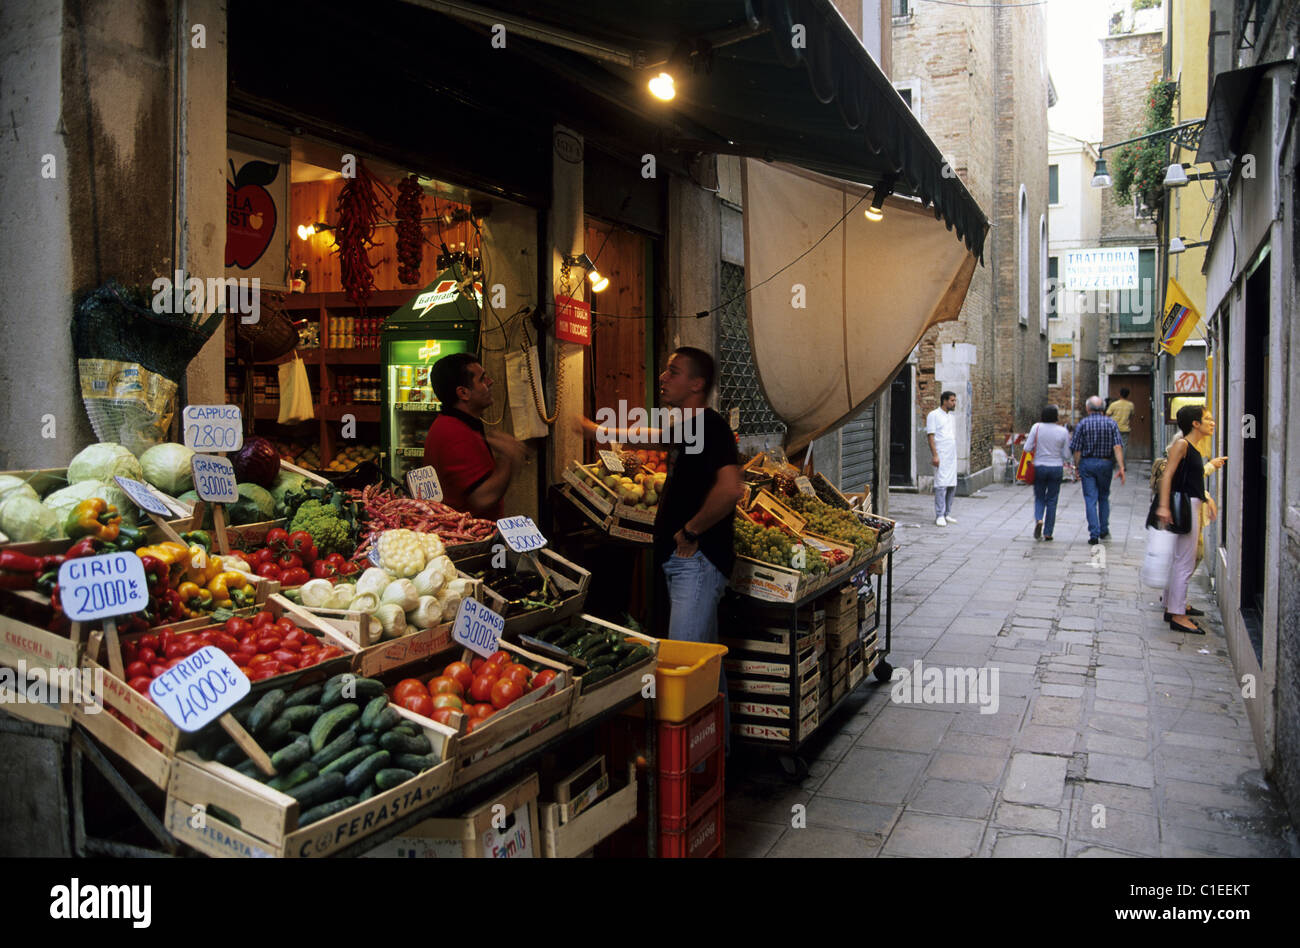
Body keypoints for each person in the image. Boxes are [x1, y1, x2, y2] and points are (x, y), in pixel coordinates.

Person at [576, 347, 745, 749]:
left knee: (682, 669)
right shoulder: (692, 427)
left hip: (697, 563)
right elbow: (648, 435)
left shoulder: (711, 427)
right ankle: (714, 760)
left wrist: (690, 531)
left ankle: (688, 769)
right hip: (689, 564)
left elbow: (730, 489)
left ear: (696, 384)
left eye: (674, 372)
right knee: (704, 665)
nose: (664, 378)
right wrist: (597, 431)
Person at [423, 352, 525, 519]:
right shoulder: (453, 433)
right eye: (482, 379)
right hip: (467, 539)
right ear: (463, 393)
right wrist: (508, 458)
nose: (490, 382)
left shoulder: (458, 425)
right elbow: (482, 498)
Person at [1156, 404, 1218, 633]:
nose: (1212, 423)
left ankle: (1173, 607)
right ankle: (1178, 616)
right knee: (1185, 561)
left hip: (1191, 503)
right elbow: (1168, 476)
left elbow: (1193, 479)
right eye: (1208, 419)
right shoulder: (1182, 444)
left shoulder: (1192, 446)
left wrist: (1206, 499)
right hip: (1184, 505)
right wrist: (1164, 507)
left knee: (1181, 559)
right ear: (1195, 423)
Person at [1070, 395, 1126, 544]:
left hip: (1087, 464)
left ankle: (1093, 533)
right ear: (1103, 409)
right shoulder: (1111, 424)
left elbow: (1077, 449)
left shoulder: (1083, 424)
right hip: (1105, 463)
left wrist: (1076, 466)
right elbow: (1117, 446)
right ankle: (1104, 529)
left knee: (1090, 498)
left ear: (1088, 408)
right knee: (1103, 497)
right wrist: (1121, 467)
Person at [1024, 405, 1071, 541]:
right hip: (1056, 467)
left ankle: (1039, 519)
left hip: (1040, 466)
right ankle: (1048, 532)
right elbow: (1067, 454)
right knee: (1052, 499)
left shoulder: (1036, 427)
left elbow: (1027, 448)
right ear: (1056, 416)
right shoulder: (1063, 431)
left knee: (1039, 496)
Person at [926, 391, 959, 526]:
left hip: (951, 455)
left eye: (955, 400)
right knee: (941, 484)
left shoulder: (952, 417)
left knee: (952, 484)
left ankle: (947, 513)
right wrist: (935, 455)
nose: (954, 403)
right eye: (952, 400)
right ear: (944, 401)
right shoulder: (933, 415)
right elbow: (931, 436)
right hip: (941, 454)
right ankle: (939, 514)